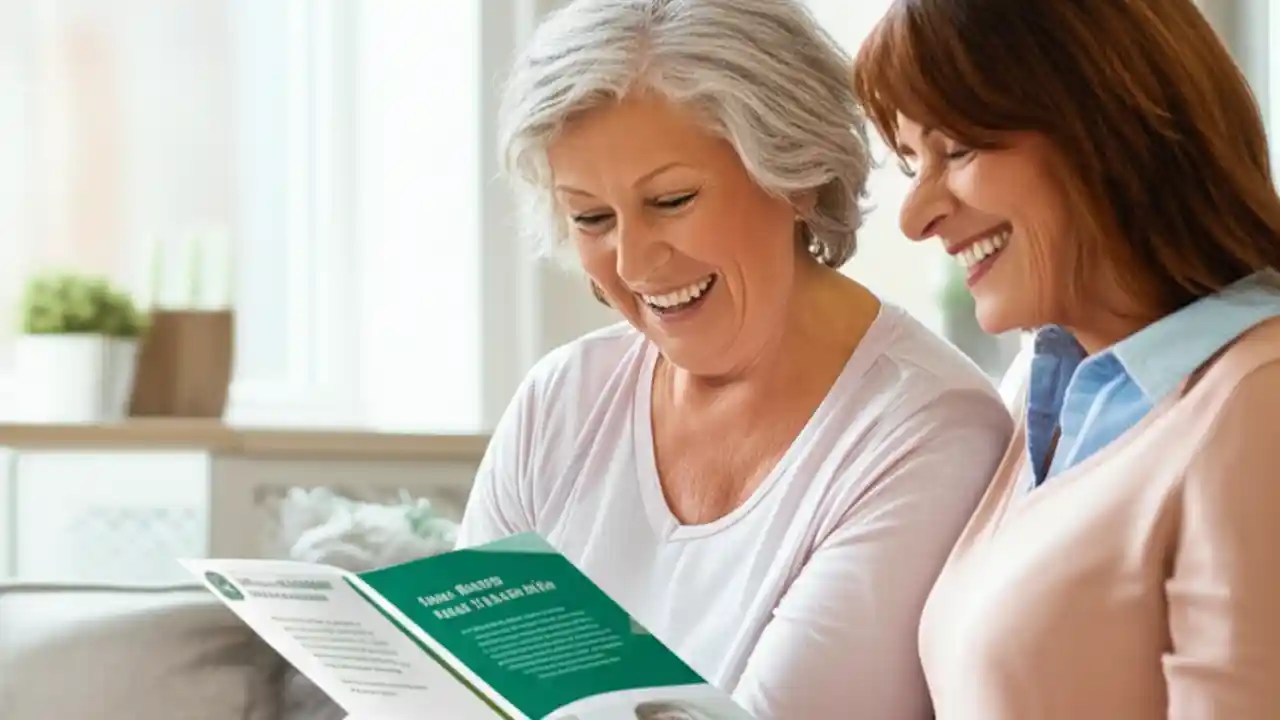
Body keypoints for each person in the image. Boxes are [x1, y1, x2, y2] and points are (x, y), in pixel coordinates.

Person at [457, 1, 1013, 718]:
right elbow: (457, 692)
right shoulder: (561, 400)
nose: (631, 262)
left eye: (671, 199)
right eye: (591, 217)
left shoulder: (931, 432)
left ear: (797, 173)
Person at [852, 0, 1280, 717]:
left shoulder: (1257, 407)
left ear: (1106, 131)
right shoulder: (1045, 386)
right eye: (911, 161)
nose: (914, 215)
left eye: (955, 151)